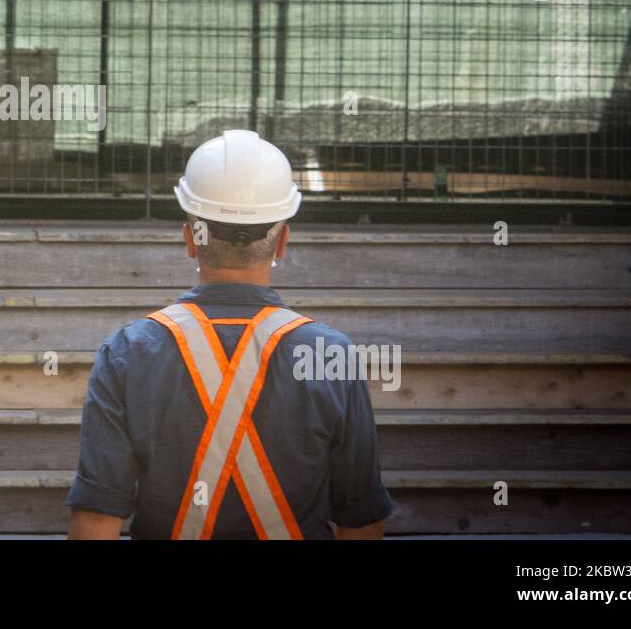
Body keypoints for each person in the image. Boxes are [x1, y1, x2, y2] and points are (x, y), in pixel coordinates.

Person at [66, 129, 393, 539]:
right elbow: (360, 521)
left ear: (190, 238)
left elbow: (96, 520)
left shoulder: (128, 353)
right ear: (283, 243)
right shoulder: (332, 355)